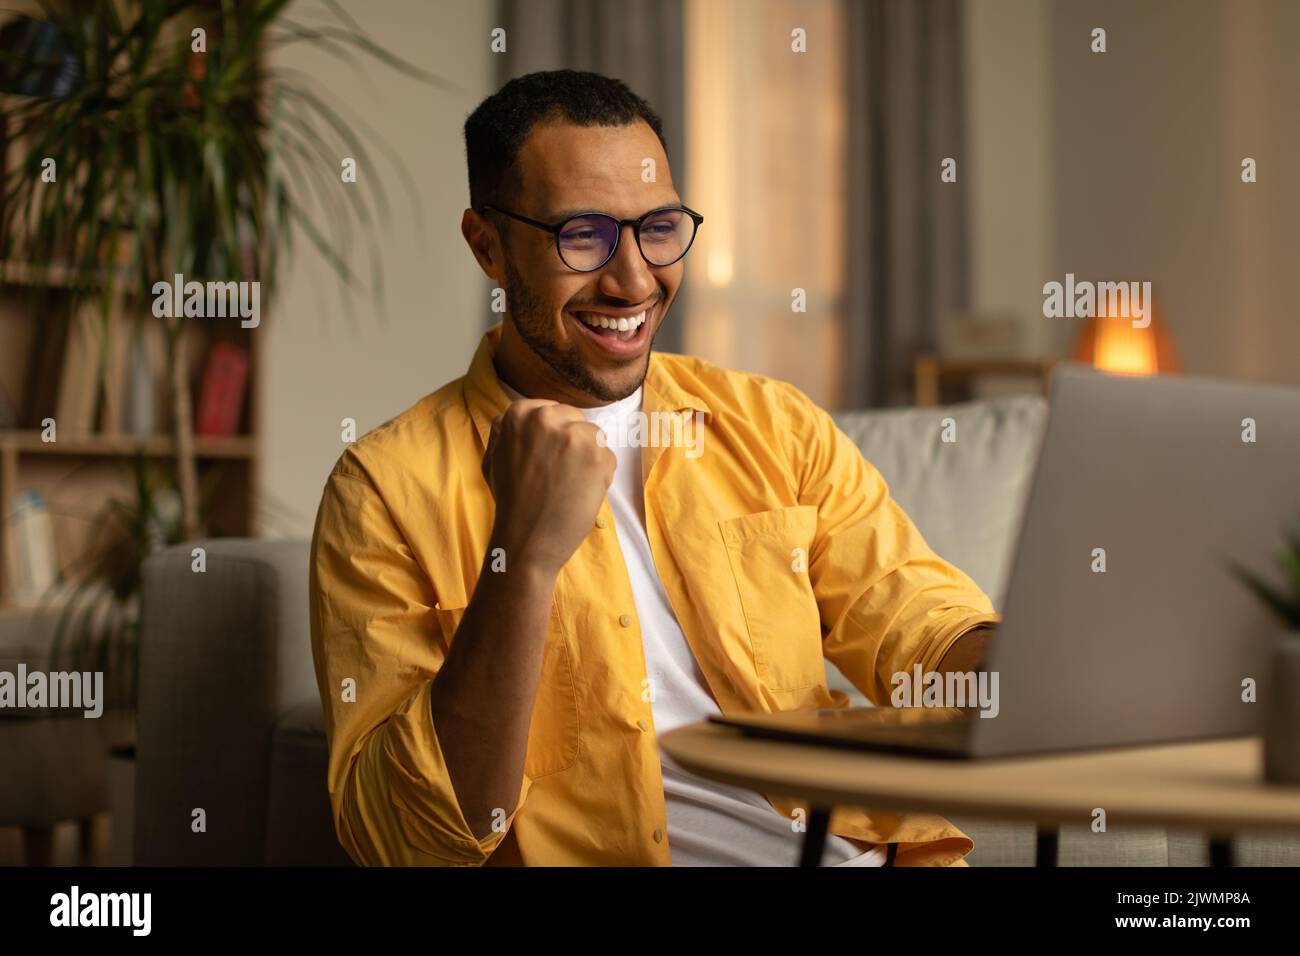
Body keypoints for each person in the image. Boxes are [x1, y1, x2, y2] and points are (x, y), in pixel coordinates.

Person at [309, 69, 999, 867]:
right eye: (582, 235)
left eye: (659, 228)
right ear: (488, 247)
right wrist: (521, 564)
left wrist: (1025, 667)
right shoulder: (383, 490)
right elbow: (408, 839)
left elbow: (919, 627)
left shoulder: (771, 424)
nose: (635, 279)